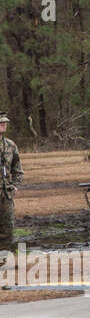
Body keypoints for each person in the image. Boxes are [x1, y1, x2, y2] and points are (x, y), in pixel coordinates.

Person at [0, 112, 24, 261]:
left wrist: (15, 185)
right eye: (1, 122)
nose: (4, 124)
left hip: (5, 195)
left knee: (7, 229)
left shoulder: (10, 145)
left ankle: (3, 259)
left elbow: (18, 169)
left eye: (5, 122)